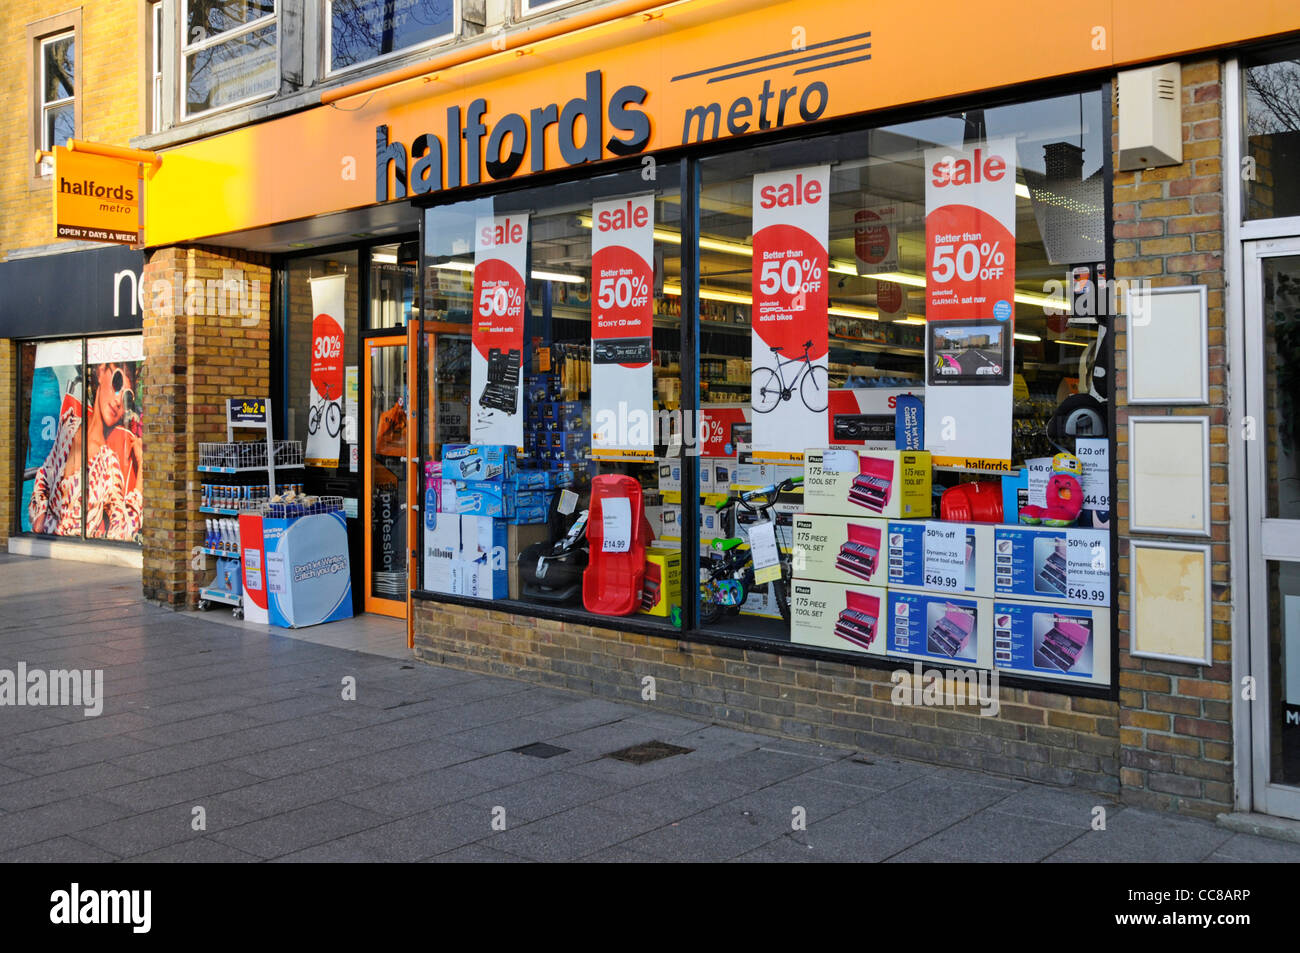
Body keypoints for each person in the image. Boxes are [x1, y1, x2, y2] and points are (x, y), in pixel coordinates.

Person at [29, 361, 143, 541]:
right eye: (117, 382)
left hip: (74, 544)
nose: (118, 400)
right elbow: (45, 472)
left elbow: (122, 531)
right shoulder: (69, 425)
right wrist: (40, 515)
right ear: (100, 372)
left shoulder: (108, 465)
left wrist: (142, 467)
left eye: (127, 398)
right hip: (45, 539)